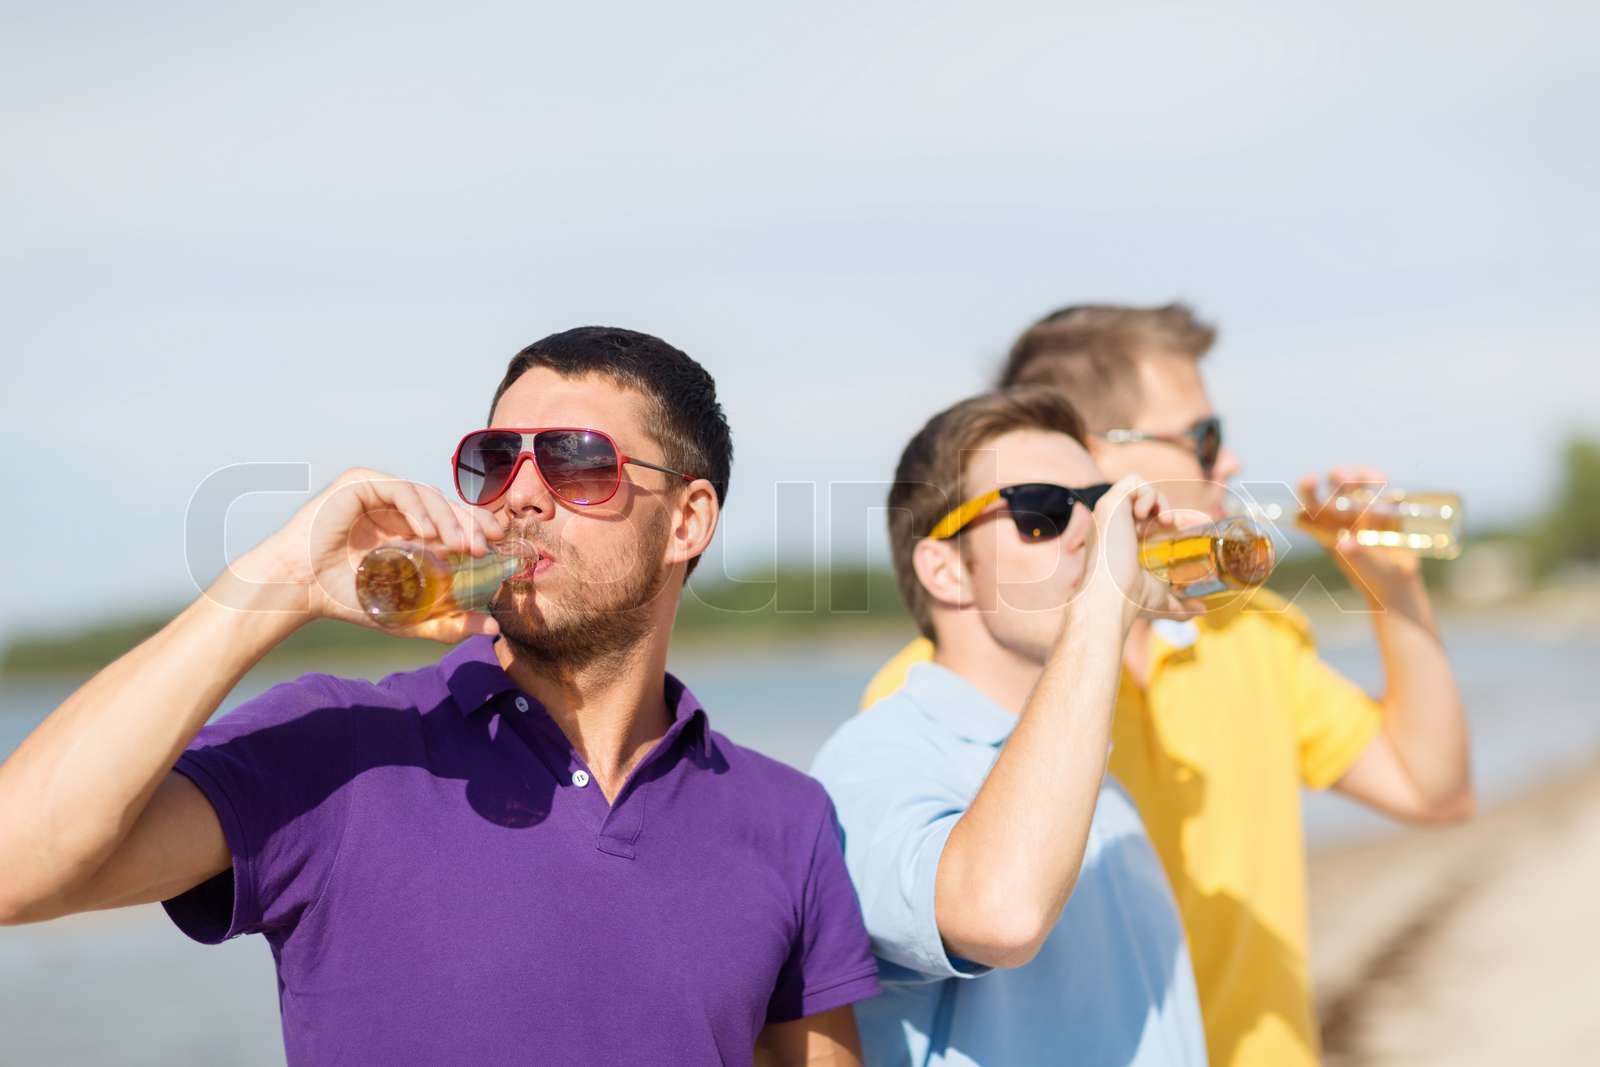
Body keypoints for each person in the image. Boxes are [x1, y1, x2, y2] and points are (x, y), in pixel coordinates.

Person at [0, 327, 881, 1066]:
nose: (522, 496)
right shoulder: (342, 747)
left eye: (577, 463)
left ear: (686, 521)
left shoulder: (785, 819)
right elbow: (16, 865)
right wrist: (277, 583)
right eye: (497, 461)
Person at [861, 304, 1475, 1067]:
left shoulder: (1248, 635)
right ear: (1095, 457)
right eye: (1203, 439)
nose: (1231, 463)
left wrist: (1397, 592)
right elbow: (979, 919)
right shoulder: (938, 692)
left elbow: (1433, 788)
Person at [812, 387, 1210, 1066]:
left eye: (1098, 502)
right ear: (944, 568)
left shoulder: (1094, 778)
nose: (1087, 531)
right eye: (1041, 511)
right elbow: (1000, 913)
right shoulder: (875, 759)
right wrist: (1100, 606)